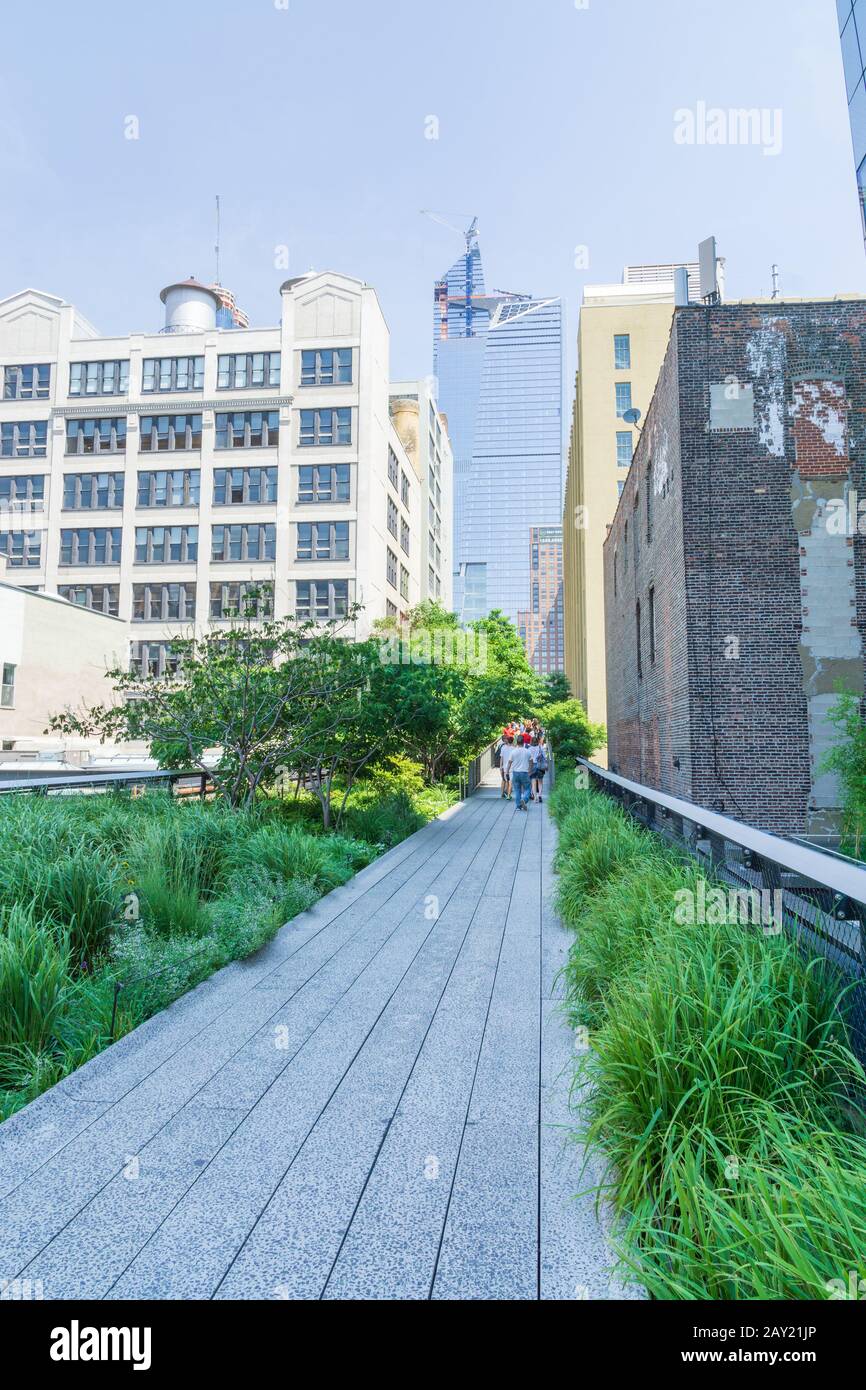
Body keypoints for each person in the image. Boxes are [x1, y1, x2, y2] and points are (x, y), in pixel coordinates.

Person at [508, 734, 534, 811]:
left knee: (517, 790)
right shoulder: (528, 751)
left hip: (515, 773)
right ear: (524, 742)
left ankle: (518, 806)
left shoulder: (513, 752)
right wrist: (530, 770)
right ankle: (525, 799)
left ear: (517, 742)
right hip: (525, 772)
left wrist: (506, 772)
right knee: (528, 788)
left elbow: (509, 762)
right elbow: (531, 762)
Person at [531, 735, 548, 803]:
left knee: (533, 782)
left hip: (532, 766)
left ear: (531, 741)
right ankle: (540, 795)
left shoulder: (529, 749)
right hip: (540, 766)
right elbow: (545, 757)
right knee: (540, 781)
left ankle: (535, 797)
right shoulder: (540, 748)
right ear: (537, 741)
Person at [499, 733, 514, 799]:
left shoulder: (503, 747)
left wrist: (500, 766)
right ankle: (508, 795)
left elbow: (501, 758)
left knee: (505, 780)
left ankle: (503, 792)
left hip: (504, 767)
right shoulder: (514, 748)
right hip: (512, 767)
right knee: (510, 781)